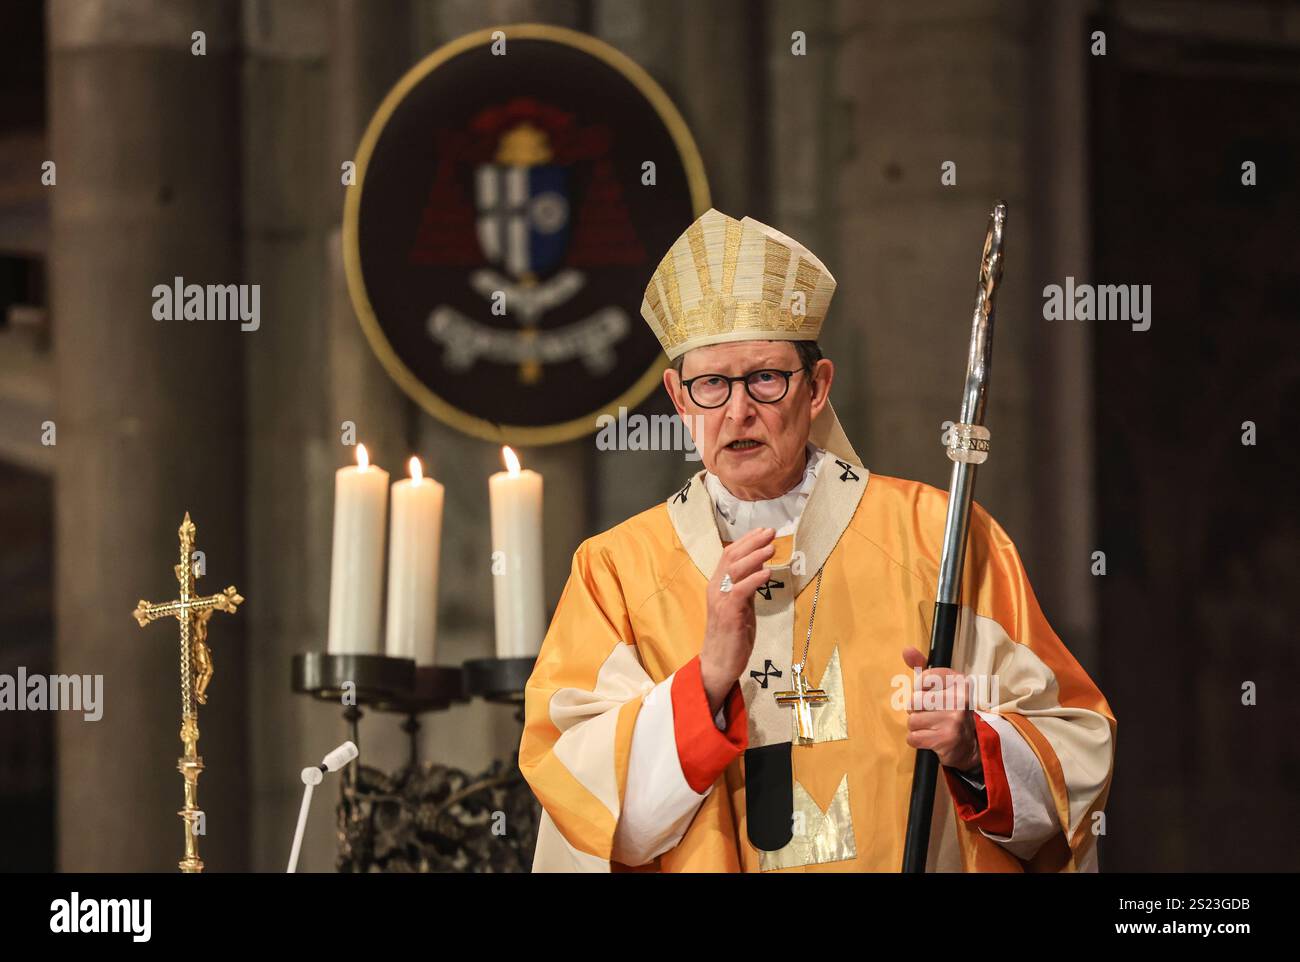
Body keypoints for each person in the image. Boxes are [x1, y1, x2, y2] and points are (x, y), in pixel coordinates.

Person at [519, 208, 1115, 872]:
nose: (737, 410)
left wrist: (977, 750)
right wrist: (708, 681)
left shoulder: (937, 538)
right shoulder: (617, 572)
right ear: (679, 399)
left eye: (765, 379)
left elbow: (1076, 754)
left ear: (816, 388)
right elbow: (591, 812)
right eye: (711, 384)